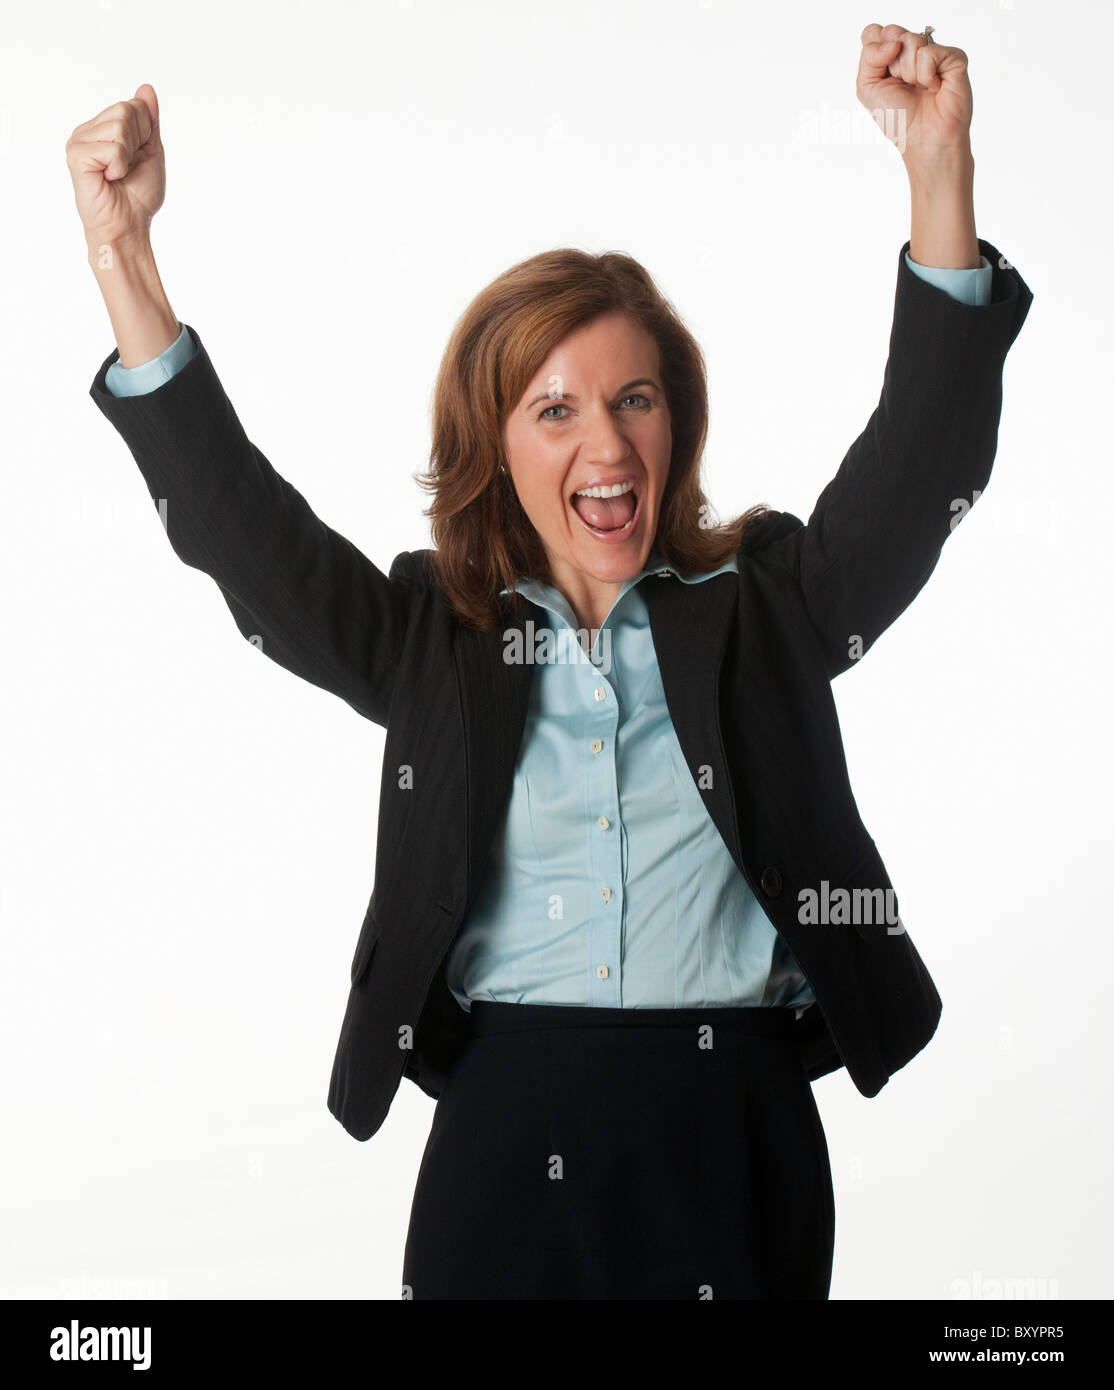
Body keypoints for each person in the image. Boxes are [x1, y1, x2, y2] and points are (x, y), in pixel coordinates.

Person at [67, 22, 1033, 1299]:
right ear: (497, 443)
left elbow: (920, 466)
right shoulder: (431, 637)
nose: (607, 442)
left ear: (674, 418)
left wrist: (938, 174)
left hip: (732, 1127)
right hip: (503, 1128)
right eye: (556, 407)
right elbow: (252, 542)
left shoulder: (764, 609)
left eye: (635, 397)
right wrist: (124, 253)